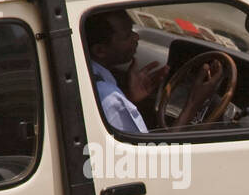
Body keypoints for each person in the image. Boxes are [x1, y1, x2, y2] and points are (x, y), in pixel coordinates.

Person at [86, 9, 223, 132]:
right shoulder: (110, 100)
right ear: (100, 50)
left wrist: (130, 99)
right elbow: (155, 158)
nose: (136, 37)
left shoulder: (91, 81)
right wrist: (193, 105)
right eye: (127, 36)